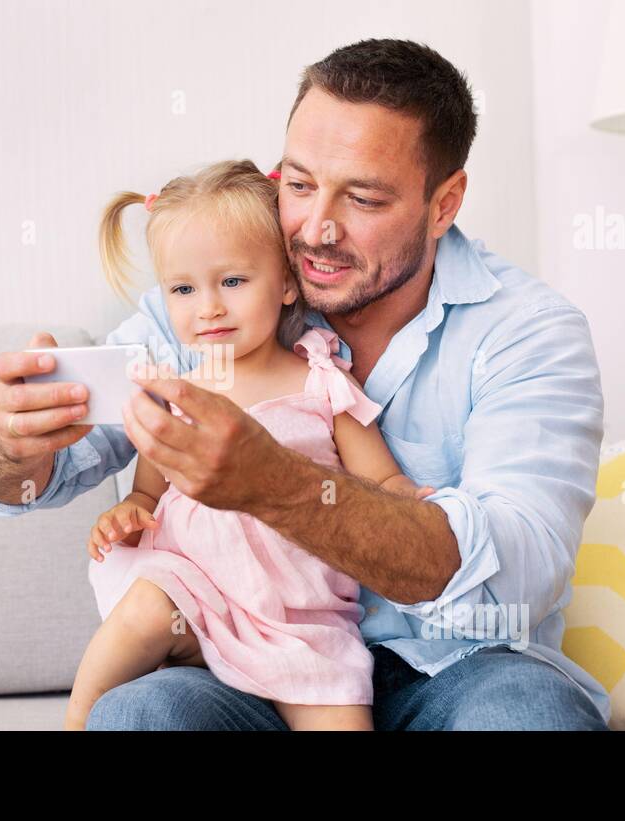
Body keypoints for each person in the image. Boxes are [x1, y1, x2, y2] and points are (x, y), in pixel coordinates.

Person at [0, 39, 611, 730]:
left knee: (530, 717)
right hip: (245, 663)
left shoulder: (529, 333)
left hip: (458, 668)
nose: (316, 228)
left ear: (444, 203)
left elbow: (516, 574)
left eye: (362, 197)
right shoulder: (217, 300)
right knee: (143, 713)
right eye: (297, 184)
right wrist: (12, 439)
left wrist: (277, 483)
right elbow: (36, 473)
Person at [66, 159, 434, 731]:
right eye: (183, 289)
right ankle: (75, 720)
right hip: (197, 600)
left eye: (233, 282)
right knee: (143, 607)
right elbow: (146, 493)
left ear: (287, 283)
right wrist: (126, 515)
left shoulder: (320, 380)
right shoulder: (176, 390)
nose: (208, 307)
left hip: (301, 618)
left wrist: (410, 499)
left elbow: (380, 481)